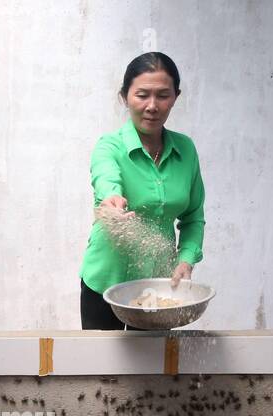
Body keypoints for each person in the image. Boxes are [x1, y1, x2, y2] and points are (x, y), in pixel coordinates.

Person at [79, 52, 206, 330]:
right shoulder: (110, 146)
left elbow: (193, 217)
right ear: (125, 97)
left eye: (162, 95)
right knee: (102, 366)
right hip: (105, 280)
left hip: (156, 285)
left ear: (176, 96)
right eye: (142, 95)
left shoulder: (186, 150)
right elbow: (106, 179)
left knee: (150, 366)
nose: (152, 106)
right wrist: (111, 200)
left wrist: (186, 259)